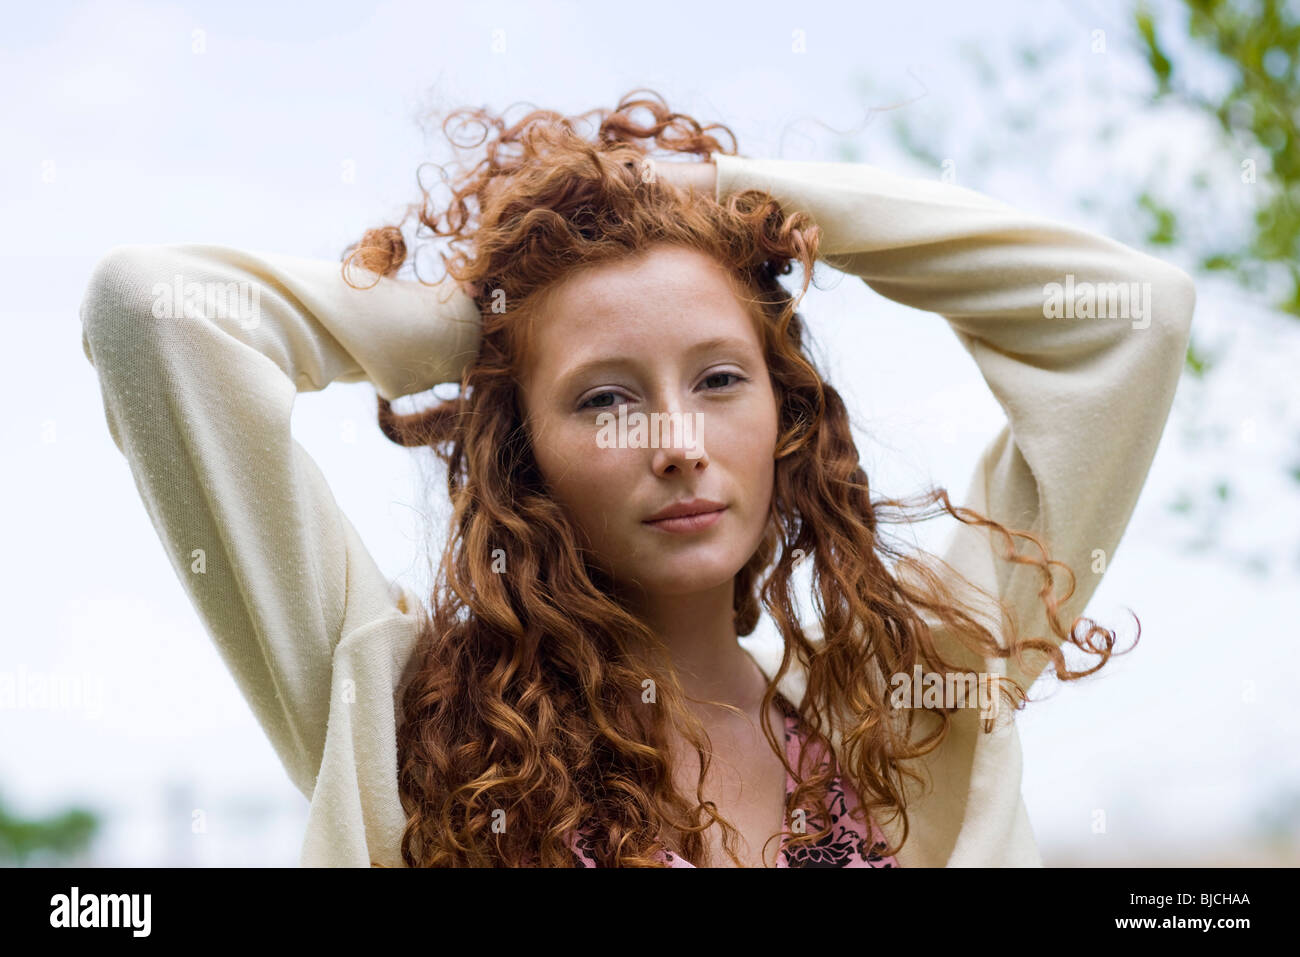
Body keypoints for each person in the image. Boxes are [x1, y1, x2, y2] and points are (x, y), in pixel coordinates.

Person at [78, 89, 1196, 867]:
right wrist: (477, 327)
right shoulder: (405, 712)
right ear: (525, 457)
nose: (675, 438)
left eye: (717, 378)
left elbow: (1130, 319)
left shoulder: (911, 715)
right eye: (603, 397)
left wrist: (729, 196)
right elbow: (155, 314)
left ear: (787, 416)